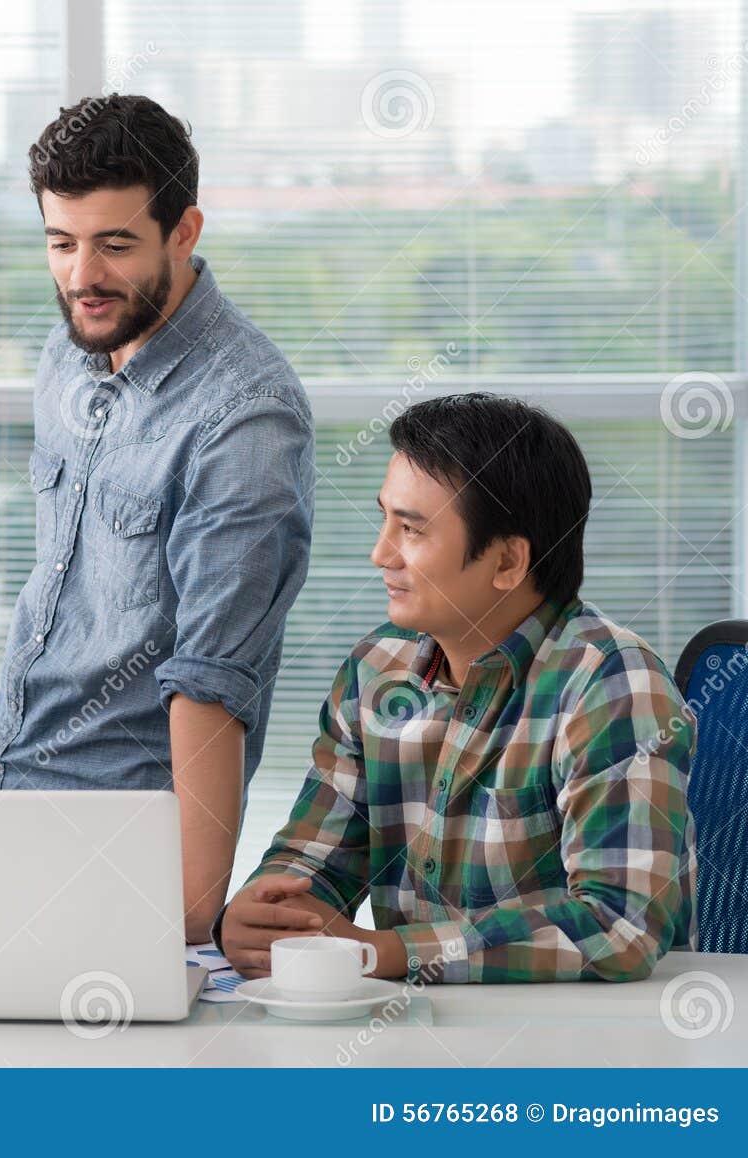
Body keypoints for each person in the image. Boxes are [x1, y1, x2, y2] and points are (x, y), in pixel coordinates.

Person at [0, 94, 314, 943]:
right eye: (61, 242)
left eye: (115, 245)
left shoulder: (247, 419)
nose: (82, 276)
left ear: (184, 232)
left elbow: (213, 684)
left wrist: (185, 918)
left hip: (107, 849)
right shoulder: (70, 349)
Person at [220, 393, 695, 983]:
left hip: (582, 1030)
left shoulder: (613, 683)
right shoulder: (376, 669)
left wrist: (387, 952)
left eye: (411, 530)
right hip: (417, 1021)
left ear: (507, 562)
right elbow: (314, 862)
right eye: (384, 520)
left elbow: (619, 925)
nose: (380, 554)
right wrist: (265, 915)